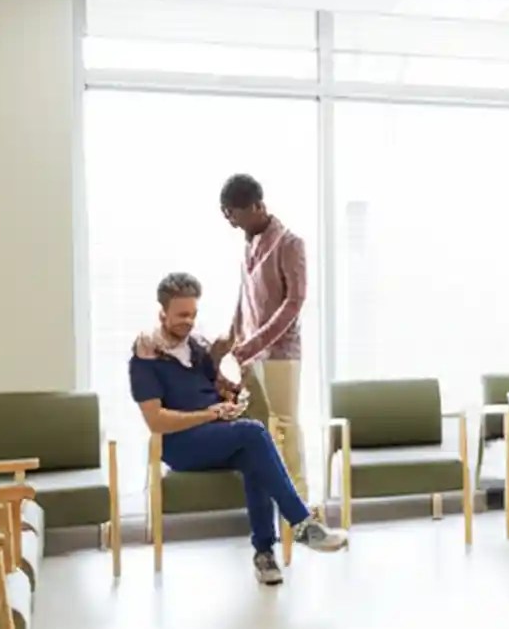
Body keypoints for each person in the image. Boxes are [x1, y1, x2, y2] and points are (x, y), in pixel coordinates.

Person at [130, 273, 348, 586]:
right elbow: (156, 421)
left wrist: (229, 396)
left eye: (193, 314)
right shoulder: (144, 358)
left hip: (212, 434)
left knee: (253, 457)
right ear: (162, 312)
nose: (188, 321)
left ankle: (264, 553)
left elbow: (213, 389)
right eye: (181, 315)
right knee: (253, 433)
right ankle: (302, 525)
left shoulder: (195, 349)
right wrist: (209, 414)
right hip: (180, 445)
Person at [215, 174, 313, 503]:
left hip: (281, 353)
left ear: (258, 206)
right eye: (225, 213)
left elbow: (294, 302)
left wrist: (251, 345)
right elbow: (244, 298)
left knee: (284, 424)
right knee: (260, 429)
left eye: (235, 212)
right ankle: (270, 501)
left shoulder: (289, 243)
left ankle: (300, 506)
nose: (230, 219)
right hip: (250, 355)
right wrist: (231, 339)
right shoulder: (248, 244)